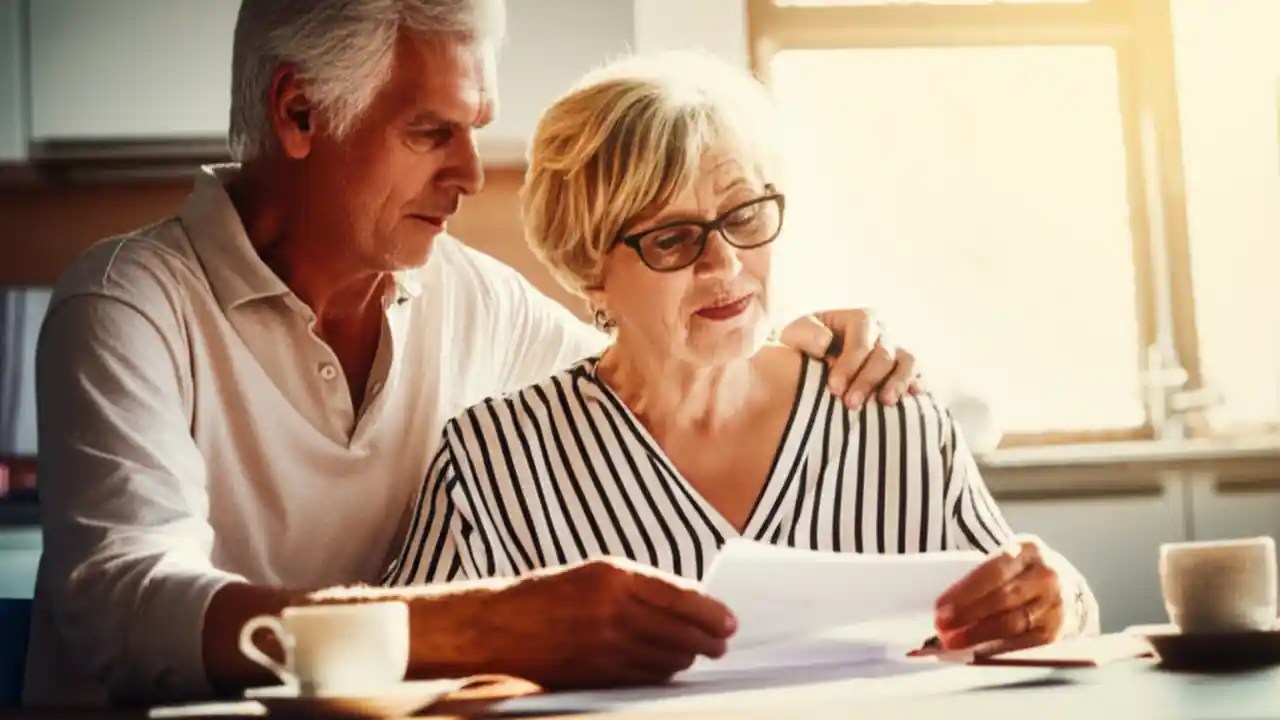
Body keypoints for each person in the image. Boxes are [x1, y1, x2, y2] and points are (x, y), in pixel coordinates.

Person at [25, 0, 925, 707]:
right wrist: (485, 624)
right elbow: (126, 604)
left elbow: (650, 373)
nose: (469, 171)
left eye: (475, 126)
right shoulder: (127, 305)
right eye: (431, 133)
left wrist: (811, 347)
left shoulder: (471, 296)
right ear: (299, 111)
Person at [383, 51, 1101, 663]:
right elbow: (390, 663)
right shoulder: (492, 465)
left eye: (745, 215)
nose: (724, 263)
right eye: (671, 238)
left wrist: (1057, 604)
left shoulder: (889, 417)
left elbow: (1037, 629)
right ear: (589, 268)